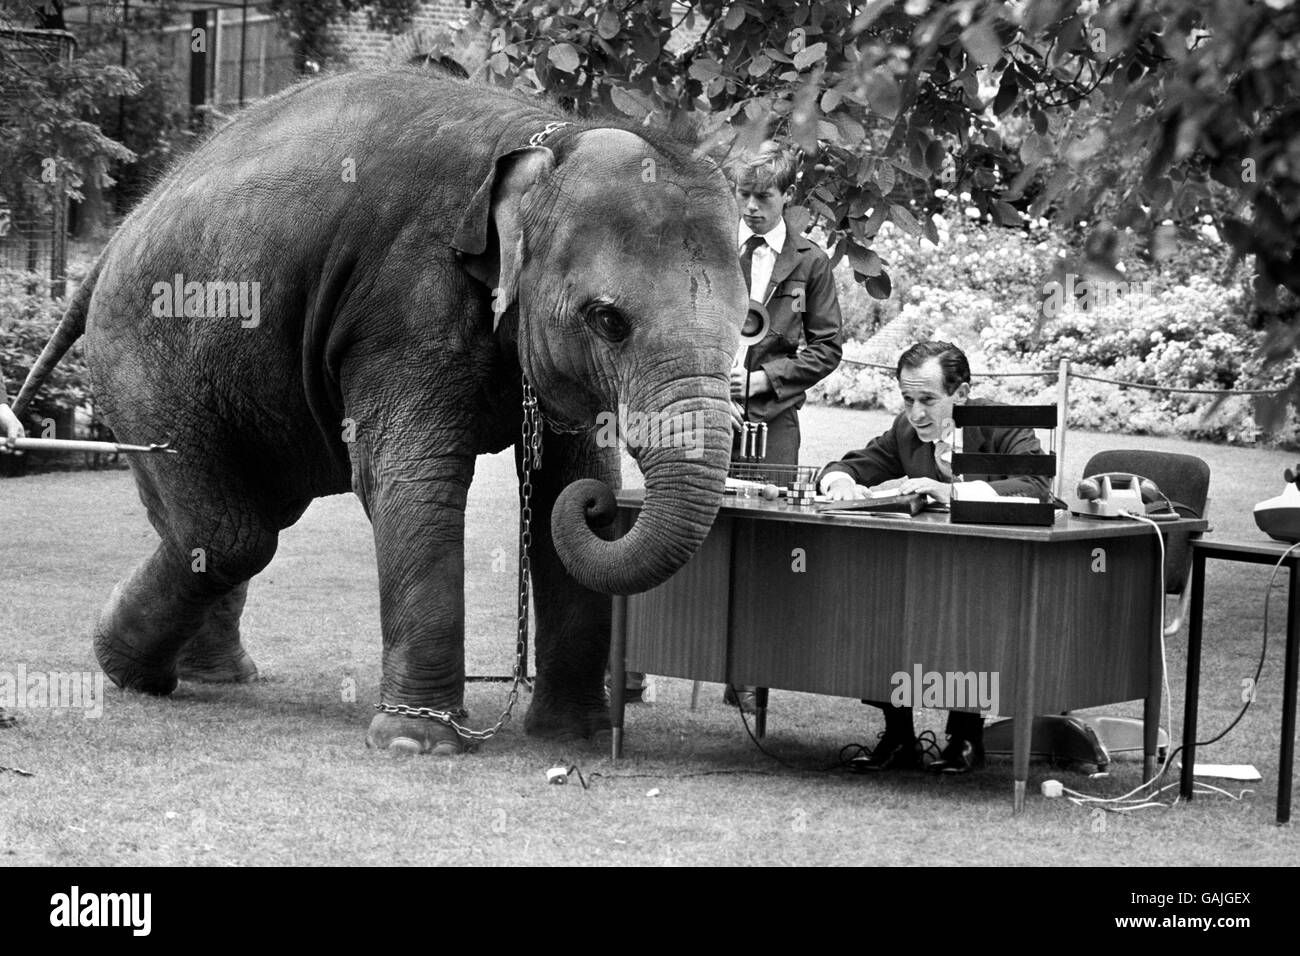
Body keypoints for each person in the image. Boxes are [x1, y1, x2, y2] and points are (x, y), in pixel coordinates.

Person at [816, 341, 1050, 772]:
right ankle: (900, 737)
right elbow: (847, 465)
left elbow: (1036, 488)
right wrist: (839, 482)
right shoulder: (905, 431)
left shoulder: (1004, 423)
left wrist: (952, 492)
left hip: (999, 570)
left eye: (927, 400)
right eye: (908, 400)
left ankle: (965, 737)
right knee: (882, 602)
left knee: (972, 614)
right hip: (926, 565)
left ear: (962, 394)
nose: (916, 413)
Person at [723, 140, 843, 711]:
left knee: (768, 544)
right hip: (702, 414)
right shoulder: (713, 248)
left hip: (772, 420)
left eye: (762, 195)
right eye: (742, 193)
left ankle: (750, 677)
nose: (750, 205)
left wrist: (765, 380)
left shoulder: (811, 261)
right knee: (682, 529)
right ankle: (639, 664)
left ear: (786, 197)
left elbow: (828, 348)